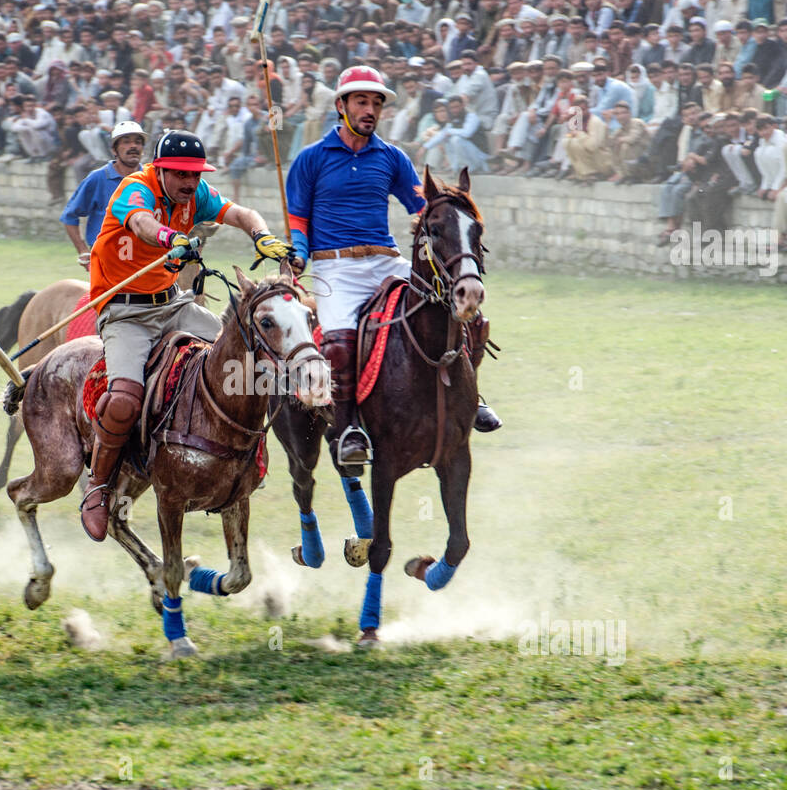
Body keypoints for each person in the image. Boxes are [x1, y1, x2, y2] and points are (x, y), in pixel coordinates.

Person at [79, 129, 293, 541]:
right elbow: (142, 224)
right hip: (125, 313)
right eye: (179, 174)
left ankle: (249, 456)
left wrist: (261, 235)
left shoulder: (196, 194)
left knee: (244, 359)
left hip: (172, 305)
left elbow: (240, 213)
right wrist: (172, 238)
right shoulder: (134, 188)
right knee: (124, 399)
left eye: (194, 174)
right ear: (159, 170)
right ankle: (98, 487)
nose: (189, 182)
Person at [285, 66, 500, 471]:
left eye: (376, 103)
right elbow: (298, 217)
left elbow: (423, 209)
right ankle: (349, 429)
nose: (370, 110)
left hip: (386, 260)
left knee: (466, 315)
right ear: (341, 105)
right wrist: (298, 251)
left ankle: (470, 399)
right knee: (338, 345)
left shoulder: (392, 158)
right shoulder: (311, 159)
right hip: (336, 269)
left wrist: (451, 228)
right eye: (362, 101)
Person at [60, 120, 146, 269]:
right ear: (114, 149)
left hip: (144, 259)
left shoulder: (150, 178)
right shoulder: (97, 178)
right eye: (126, 142)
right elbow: (69, 216)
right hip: (106, 259)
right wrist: (83, 252)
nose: (133, 146)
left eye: (138, 142)